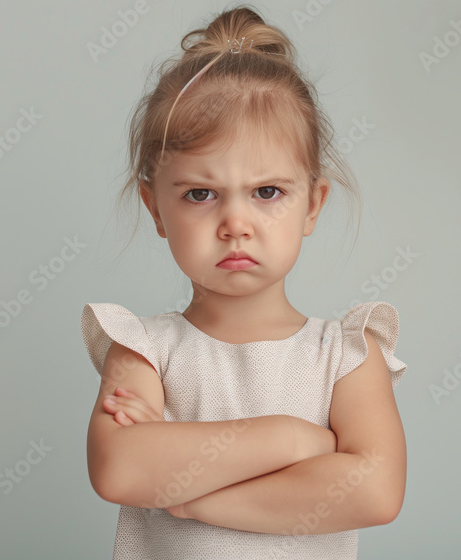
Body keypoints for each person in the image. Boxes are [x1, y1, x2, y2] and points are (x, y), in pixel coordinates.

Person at [81, 5, 407, 559]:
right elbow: (121, 469)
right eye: (200, 194)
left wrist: (192, 497)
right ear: (155, 209)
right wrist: (293, 438)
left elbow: (373, 492)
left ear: (312, 204)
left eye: (267, 192)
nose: (235, 224)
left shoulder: (348, 357)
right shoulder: (143, 352)